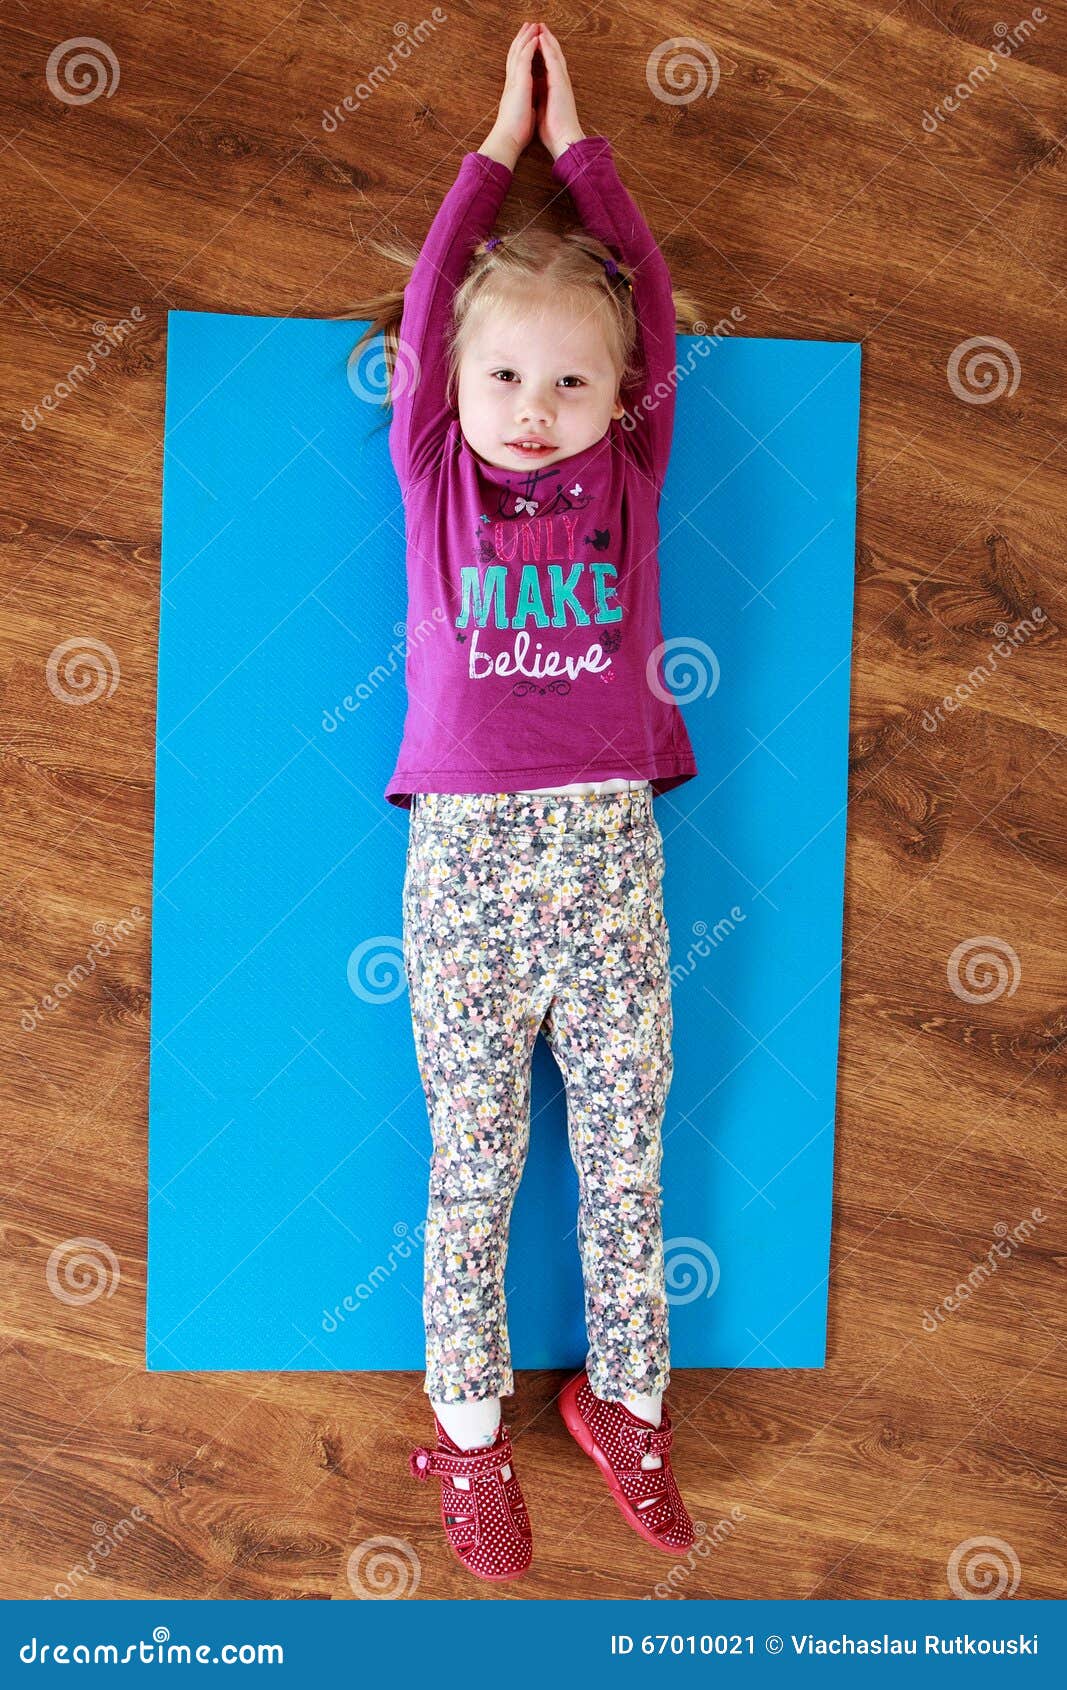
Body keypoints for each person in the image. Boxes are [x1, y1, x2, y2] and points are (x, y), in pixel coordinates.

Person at [342, 21, 702, 1580]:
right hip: (470, 864)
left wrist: (593, 160)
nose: (535, 405)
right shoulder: (437, 470)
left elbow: (655, 305)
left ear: (622, 393)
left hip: (611, 848)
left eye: (571, 377)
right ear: (454, 387)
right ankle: (472, 1439)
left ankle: (625, 1405)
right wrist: (505, 148)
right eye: (507, 374)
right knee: (474, 1165)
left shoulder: (626, 469)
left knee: (629, 1153)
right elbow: (432, 313)